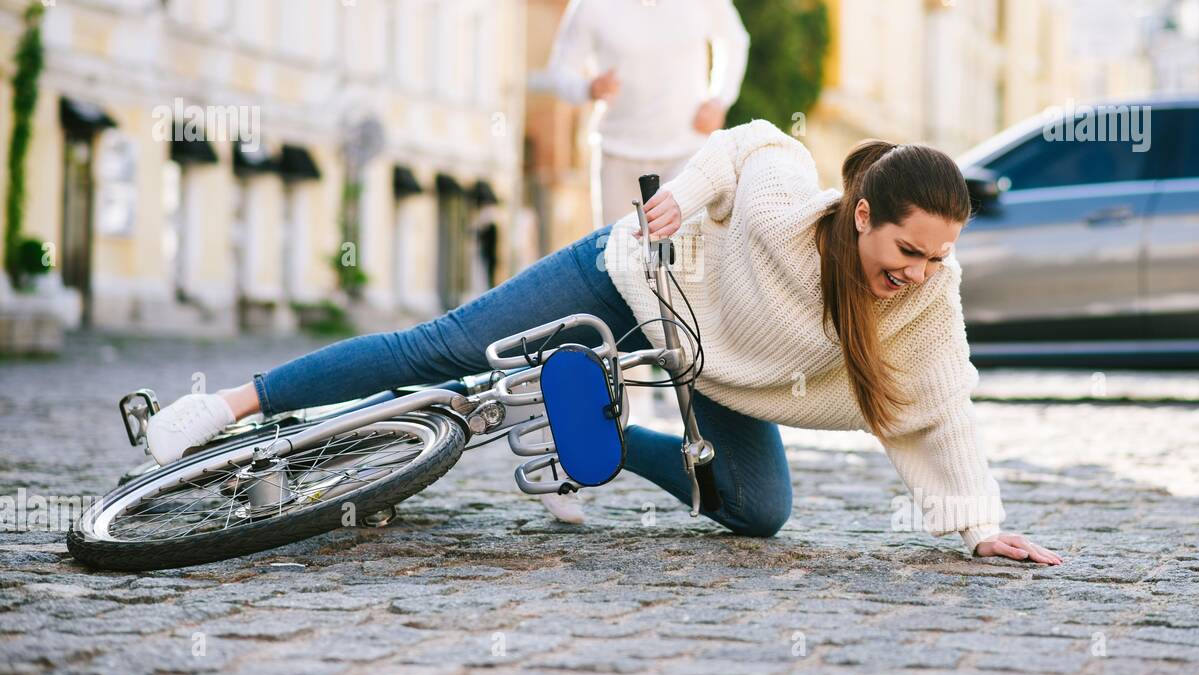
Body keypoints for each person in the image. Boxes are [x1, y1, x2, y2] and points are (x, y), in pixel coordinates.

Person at [144, 119, 1061, 565]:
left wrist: (978, 527)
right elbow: (750, 143)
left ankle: (589, 433)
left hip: (716, 367)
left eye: (940, 257)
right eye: (907, 249)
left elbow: (939, 408)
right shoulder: (792, 209)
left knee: (758, 509)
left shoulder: (926, 299)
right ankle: (223, 405)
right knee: (445, 348)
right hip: (632, 279)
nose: (920, 271)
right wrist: (690, 194)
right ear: (862, 217)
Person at [532, 0, 750, 229]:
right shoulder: (594, 1)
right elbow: (560, 71)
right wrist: (588, 89)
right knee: (621, 262)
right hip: (618, 155)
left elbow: (735, 43)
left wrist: (719, 99)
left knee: (683, 264)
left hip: (686, 154)